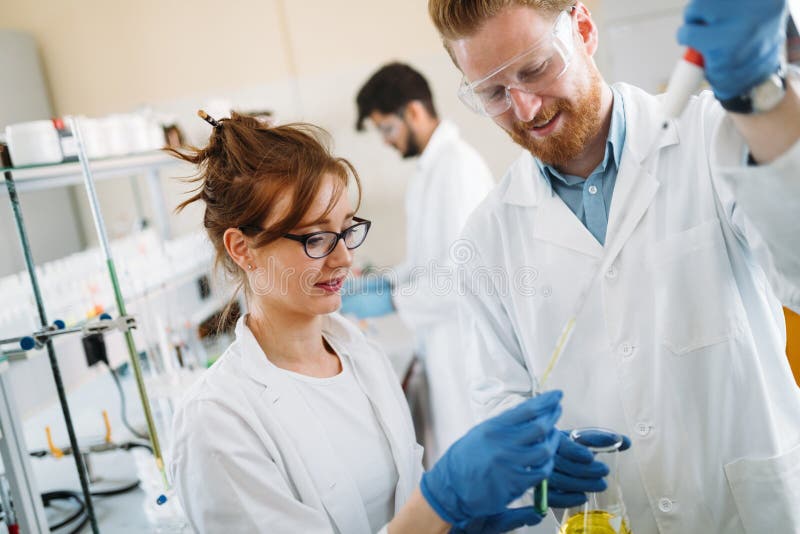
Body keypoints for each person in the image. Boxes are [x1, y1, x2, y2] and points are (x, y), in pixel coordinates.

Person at [427, 0, 800, 532]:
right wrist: (531, 464)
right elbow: (499, 398)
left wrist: (766, 102)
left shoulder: (710, 138)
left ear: (582, 27)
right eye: (493, 92)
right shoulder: (487, 239)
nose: (526, 108)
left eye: (534, 69)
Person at [168, 112, 608, 533]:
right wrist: (442, 502)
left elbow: (398, 511)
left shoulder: (363, 358)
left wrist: (450, 524)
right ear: (242, 249)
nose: (345, 258)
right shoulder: (217, 423)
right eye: (317, 238)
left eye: (346, 229)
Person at [346, 62, 494, 460]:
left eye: (386, 129)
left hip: (468, 356)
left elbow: (464, 277)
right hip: (443, 347)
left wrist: (391, 300)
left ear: (413, 112)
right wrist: (383, 284)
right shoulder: (428, 172)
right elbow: (425, 261)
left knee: (477, 469)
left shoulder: (457, 168)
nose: (386, 141)